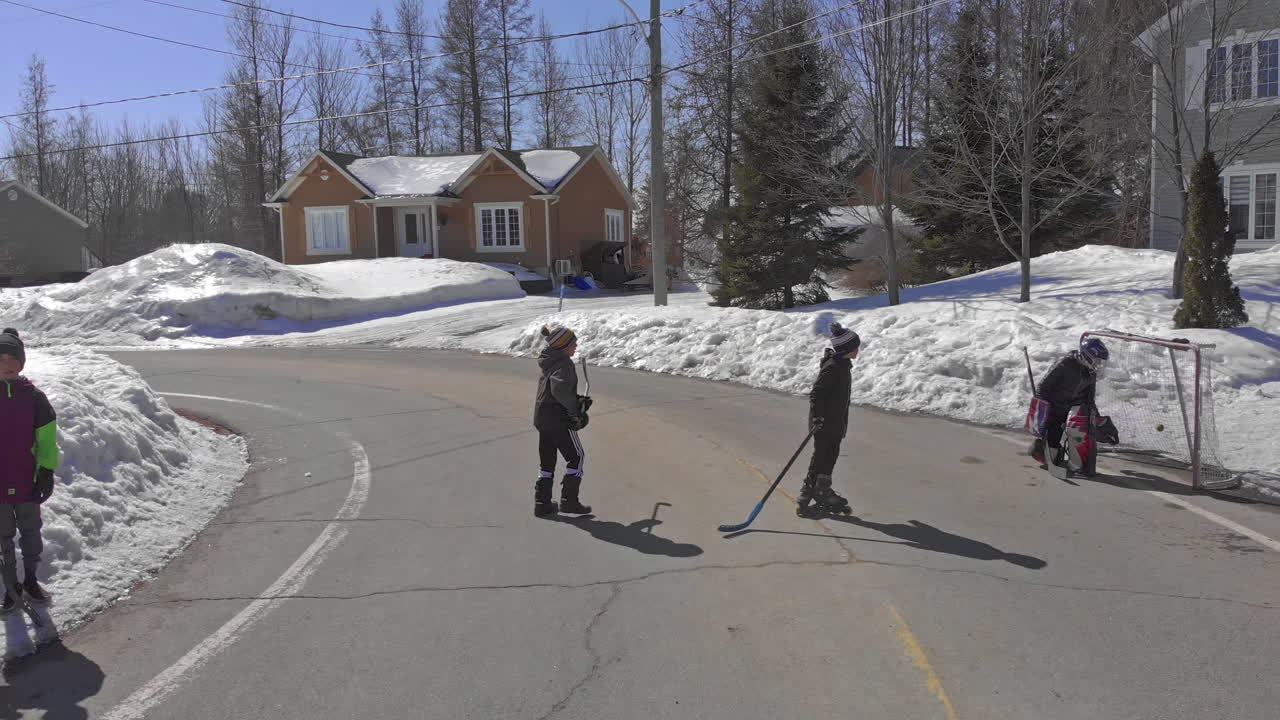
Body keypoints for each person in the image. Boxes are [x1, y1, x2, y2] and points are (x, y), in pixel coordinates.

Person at [0, 328, 59, 613]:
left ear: (21, 362)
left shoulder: (34, 397)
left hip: (27, 480)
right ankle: (11, 587)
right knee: (3, 537)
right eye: (0, 360)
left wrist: (46, 471)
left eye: (13, 359)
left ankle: (32, 580)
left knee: (31, 533)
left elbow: (46, 439)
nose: (7, 365)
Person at [798, 322, 859, 517]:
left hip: (835, 423)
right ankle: (807, 492)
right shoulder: (833, 368)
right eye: (855, 347)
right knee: (821, 456)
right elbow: (817, 394)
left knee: (830, 455)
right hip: (823, 423)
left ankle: (822, 489)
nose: (858, 349)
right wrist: (818, 418)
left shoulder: (842, 365)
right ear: (846, 350)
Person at [532, 326, 591, 517]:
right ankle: (569, 501)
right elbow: (559, 390)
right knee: (576, 456)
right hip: (557, 418)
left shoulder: (549, 362)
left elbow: (554, 389)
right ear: (564, 346)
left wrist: (576, 400)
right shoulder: (564, 363)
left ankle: (542, 503)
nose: (576, 345)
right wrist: (576, 410)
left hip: (542, 416)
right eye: (573, 343)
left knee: (547, 460)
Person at [1029, 337, 1109, 469]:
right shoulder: (1066, 363)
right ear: (1088, 356)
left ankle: (1077, 461)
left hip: (1070, 409)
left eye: (1101, 362)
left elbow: (1089, 399)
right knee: (1053, 438)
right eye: (1097, 360)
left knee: (1080, 433)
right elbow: (1043, 386)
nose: (1098, 365)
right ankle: (1045, 451)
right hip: (1053, 407)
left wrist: (1095, 418)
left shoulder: (1091, 373)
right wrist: (1041, 410)